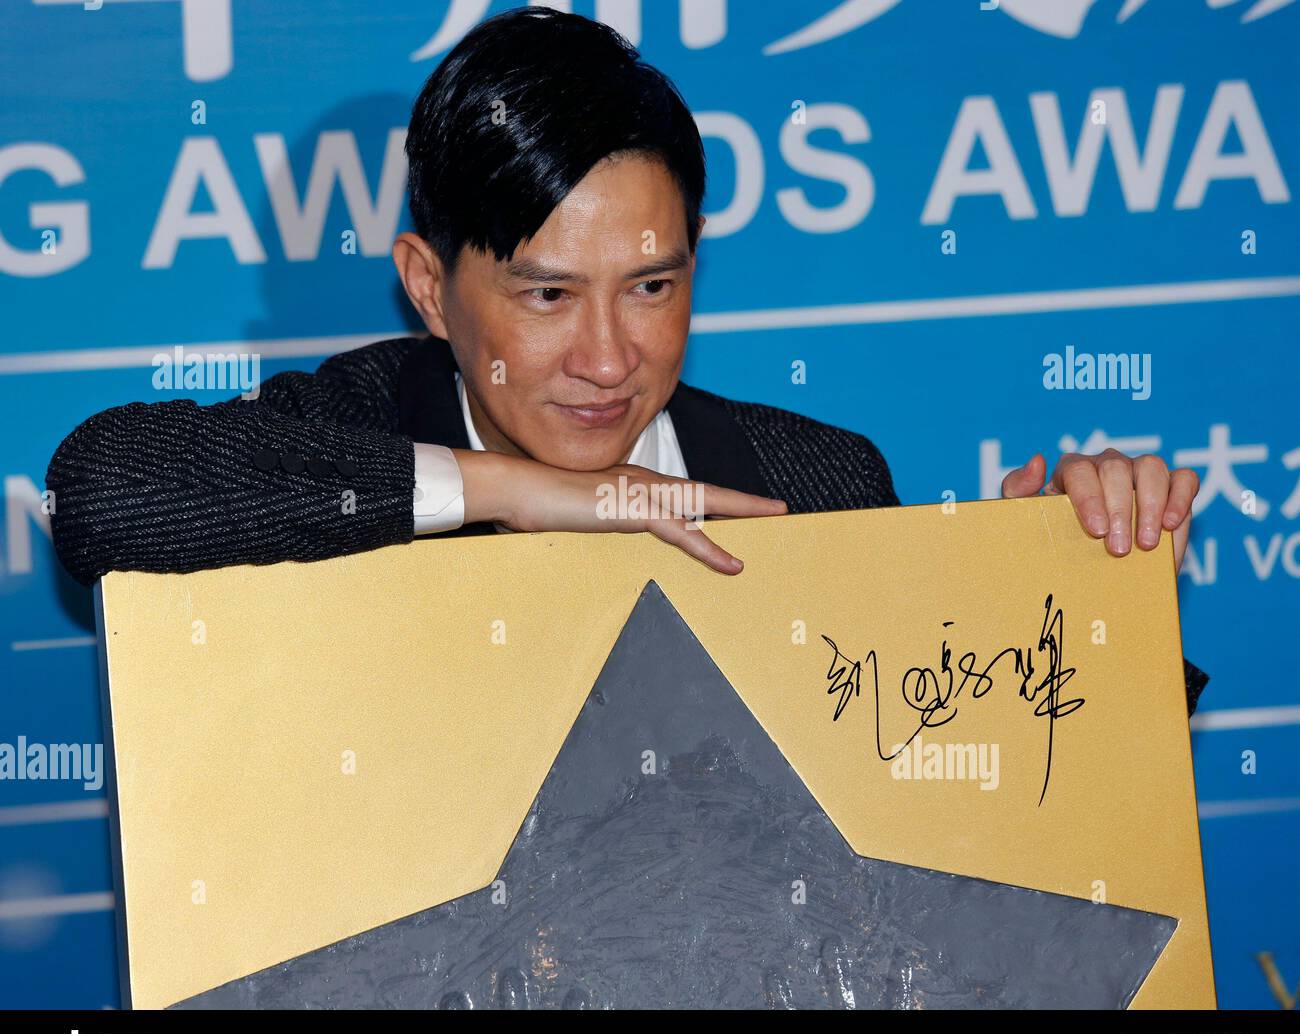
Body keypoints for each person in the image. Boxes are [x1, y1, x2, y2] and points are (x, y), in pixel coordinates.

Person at [44, 6, 1208, 711]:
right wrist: (509, 490)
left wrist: (1084, 578)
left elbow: (1001, 794)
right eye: (546, 295)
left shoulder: (815, 482)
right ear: (426, 287)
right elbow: (99, 491)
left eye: (651, 286)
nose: (608, 357)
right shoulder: (348, 426)